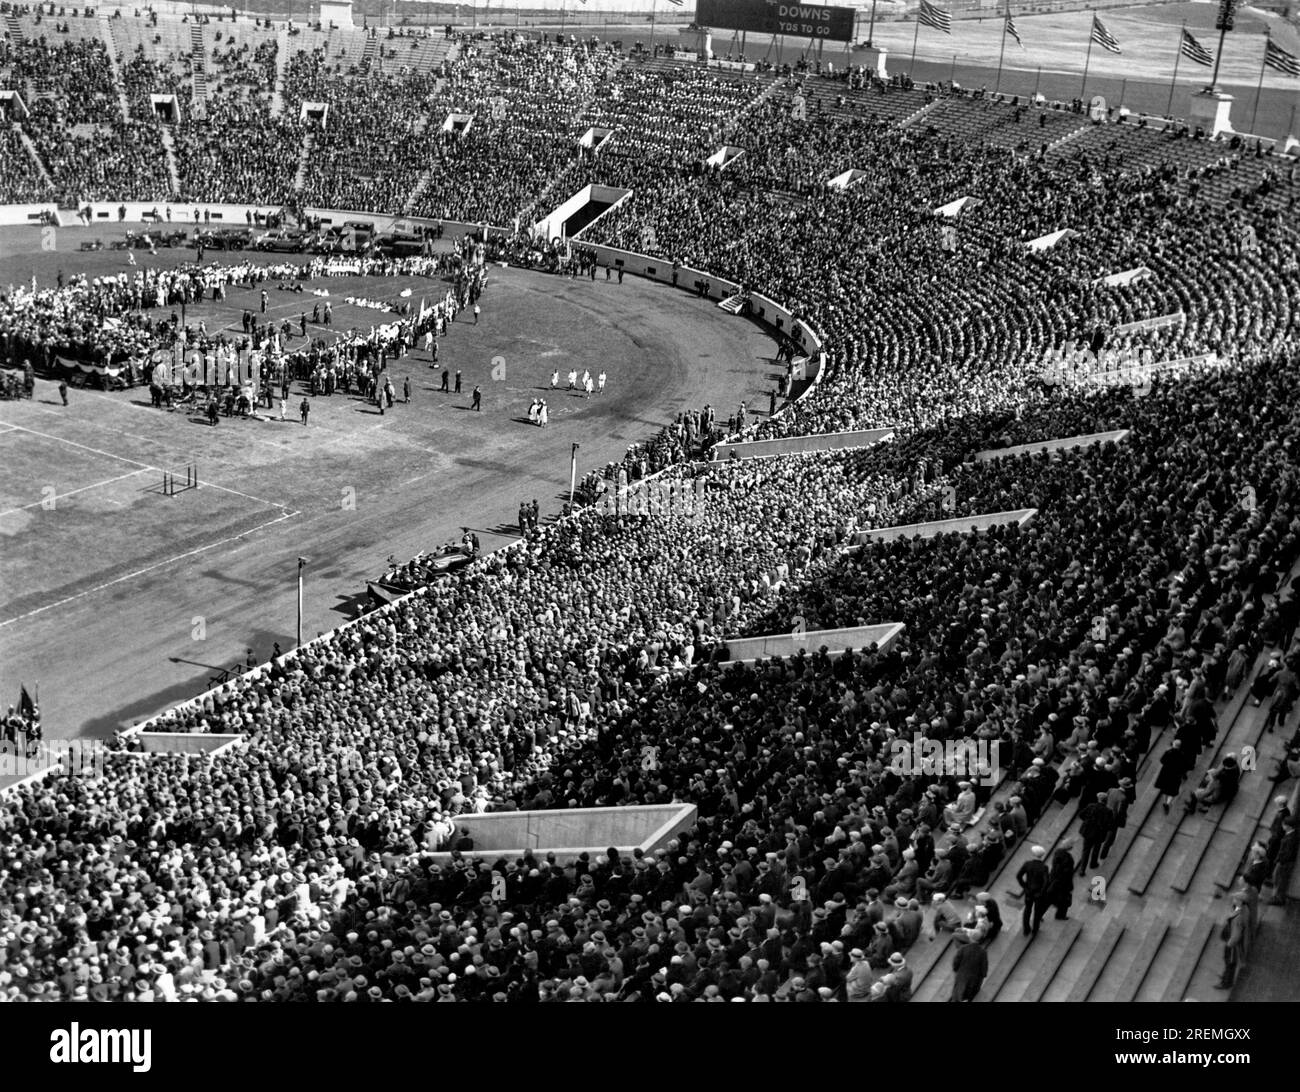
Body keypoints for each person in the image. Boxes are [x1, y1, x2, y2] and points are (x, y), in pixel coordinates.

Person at [1015, 845, 1051, 938]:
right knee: (1037, 912)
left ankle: (1026, 929)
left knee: (1027, 910)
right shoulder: (1044, 867)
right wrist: (1041, 892)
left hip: (1028, 892)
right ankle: (1035, 929)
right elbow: (1046, 882)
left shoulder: (1027, 864)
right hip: (1038, 894)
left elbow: (1018, 876)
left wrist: (1025, 887)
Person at [1215, 894, 1248, 990]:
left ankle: (1226, 982)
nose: (1234, 900)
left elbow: (1236, 935)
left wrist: (1229, 944)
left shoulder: (1239, 917)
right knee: (1228, 962)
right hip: (1230, 942)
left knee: (1230, 962)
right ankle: (1226, 977)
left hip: (1232, 945)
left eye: (1236, 899)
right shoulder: (1239, 911)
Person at [1155, 739, 1192, 812]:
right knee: (1173, 790)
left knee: (1165, 789)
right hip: (1176, 775)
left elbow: (1162, 760)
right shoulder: (1182, 754)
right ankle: (1168, 803)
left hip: (1166, 773)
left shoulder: (1168, 752)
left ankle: (1165, 802)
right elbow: (1185, 766)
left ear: (1173, 745)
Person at [949, 935, 988, 1002]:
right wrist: (982, 976)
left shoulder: (963, 949)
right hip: (974, 980)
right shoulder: (983, 952)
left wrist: (956, 970)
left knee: (957, 997)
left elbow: (956, 962)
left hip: (961, 977)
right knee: (970, 997)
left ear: (970, 939)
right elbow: (984, 968)